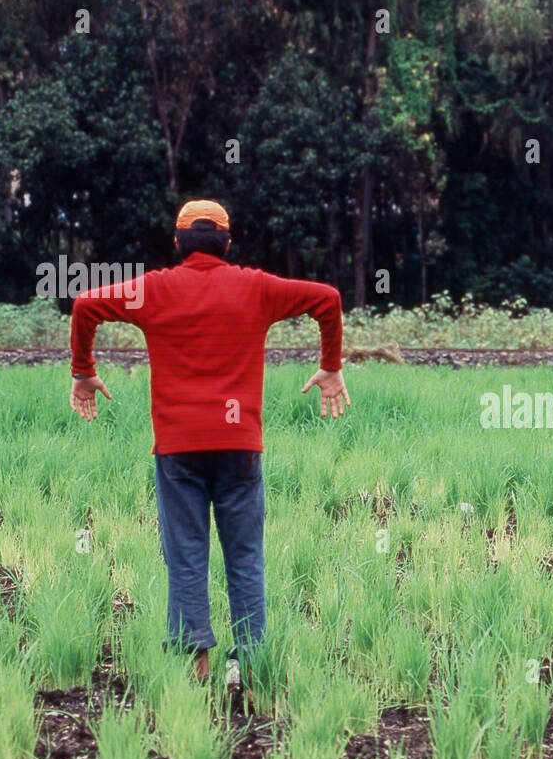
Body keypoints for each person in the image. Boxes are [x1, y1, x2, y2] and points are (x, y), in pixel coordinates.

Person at [68, 199, 349, 689]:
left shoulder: (153, 290)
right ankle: (249, 664)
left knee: (186, 554)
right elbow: (327, 298)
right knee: (244, 555)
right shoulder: (256, 287)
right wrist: (330, 366)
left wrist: (84, 372)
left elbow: (84, 306)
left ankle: (195, 662)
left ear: (177, 244)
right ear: (228, 243)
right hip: (240, 446)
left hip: (178, 449)